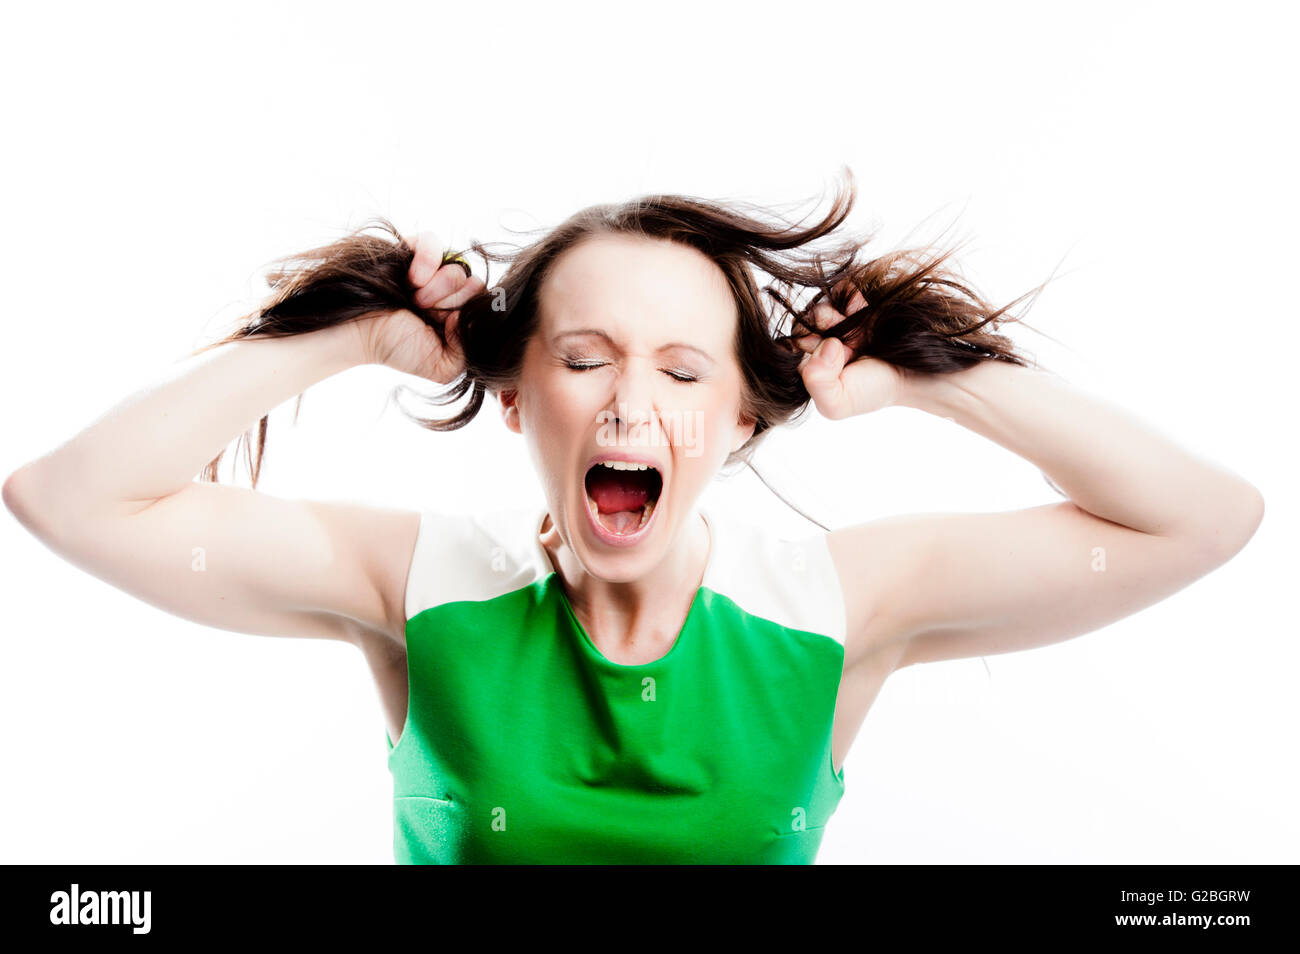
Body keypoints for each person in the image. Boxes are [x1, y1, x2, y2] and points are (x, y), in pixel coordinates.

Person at [2, 171, 1265, 864]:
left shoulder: (833, 607)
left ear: (742, 418)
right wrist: (349, 337)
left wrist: (937, 379)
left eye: (680, 368)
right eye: (584, 358)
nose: (631, 403)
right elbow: (68, 502)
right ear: (514, 401)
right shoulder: (421, 586)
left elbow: (1199, 522)